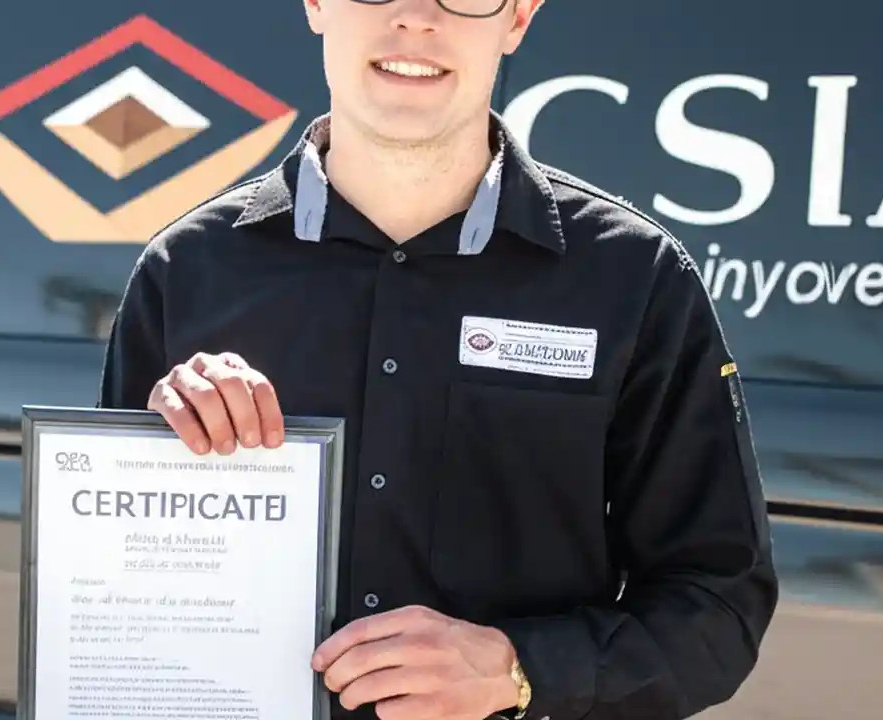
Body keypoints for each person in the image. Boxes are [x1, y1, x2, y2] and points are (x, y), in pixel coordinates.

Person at [98, 0, 779, 718]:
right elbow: (107, 601)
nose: (417, 16)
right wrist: (150, 466)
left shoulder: (634, 279)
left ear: (518, 17)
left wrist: (519, 669)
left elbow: (718, 608)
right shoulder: (187, 272)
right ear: (317, 4)